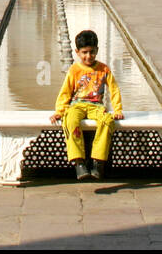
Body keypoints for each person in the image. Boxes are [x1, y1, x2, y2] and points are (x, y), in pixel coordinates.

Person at [51, 29, 124, 180]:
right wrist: (60, 110)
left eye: (91, 52)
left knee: (107, 120)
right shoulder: (74, 70)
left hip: (96, 106)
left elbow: (114, 89)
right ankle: (79, 162)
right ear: (77, 52)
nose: (88, 56)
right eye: (84, 52)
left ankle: (98, 162)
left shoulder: (104, 69)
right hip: (77, 105)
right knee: (70, 120)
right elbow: (65, 91)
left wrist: (117, 109)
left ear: (97, 50)